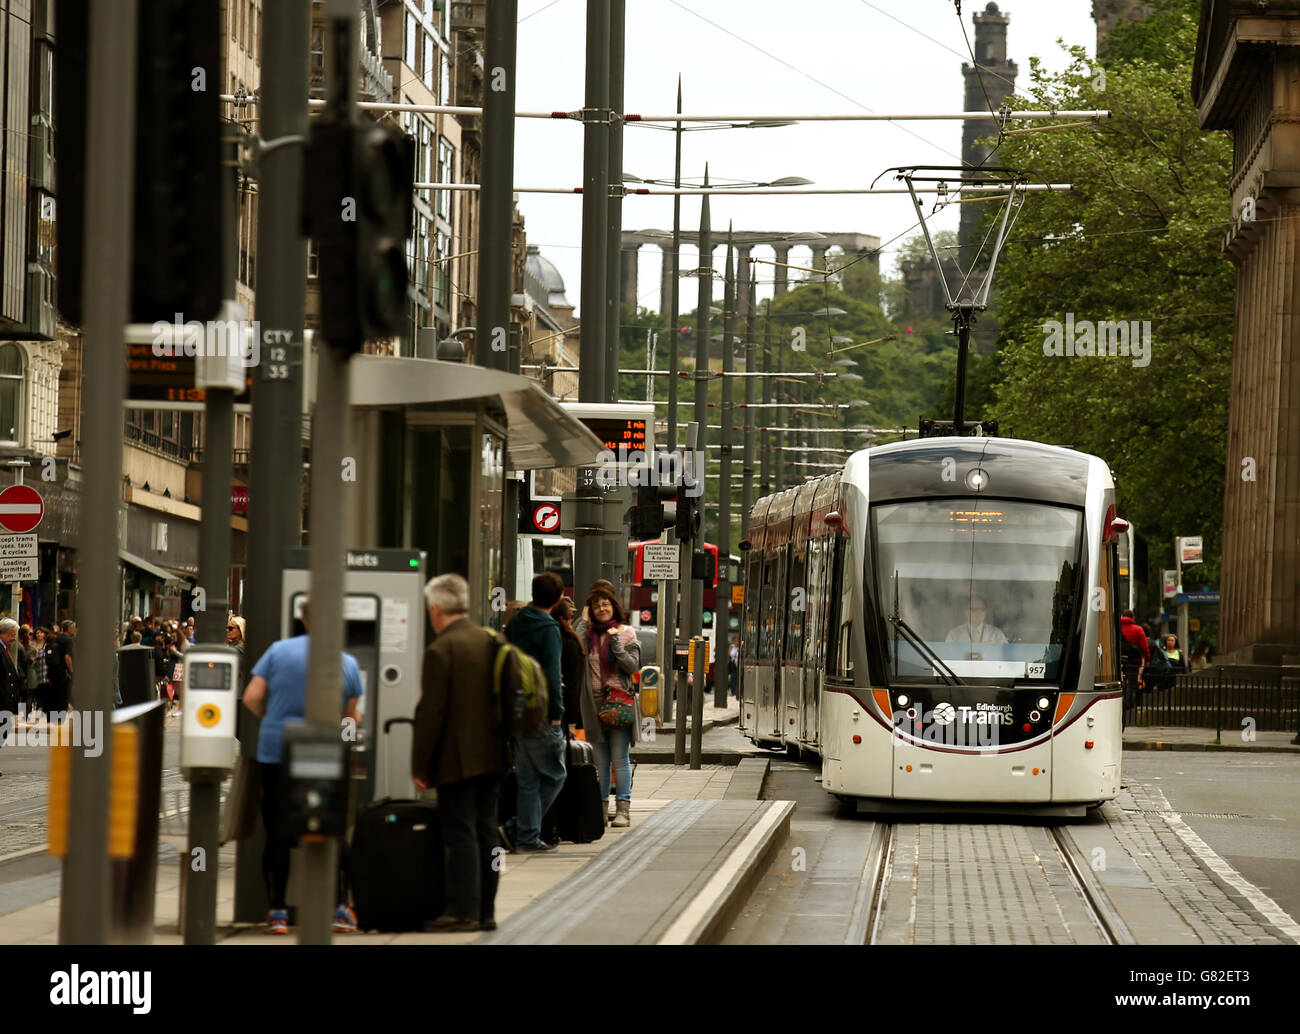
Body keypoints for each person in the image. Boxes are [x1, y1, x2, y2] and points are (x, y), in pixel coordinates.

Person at [241, 597, 363, 935]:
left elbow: (251, 697)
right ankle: (341, 907)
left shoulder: (277, 652)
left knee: (279, 831)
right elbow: (351, 718)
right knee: (331, 826)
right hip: (322, 753)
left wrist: (277, 721)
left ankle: (278, 910)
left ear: (304, 619)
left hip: (276, 751)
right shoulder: (346, 662)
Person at [411, 573, 511, 933]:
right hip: (495, 757)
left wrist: (420, 764)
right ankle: (486, 911)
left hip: (457, 761)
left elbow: (430, 714)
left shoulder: (442, 650)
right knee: (487, 832)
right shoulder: (494, 641)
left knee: (461, 834)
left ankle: (462, 911)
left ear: (436, 609)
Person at [500, 572, 567, 853]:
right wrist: (557, 711)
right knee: (555, 775)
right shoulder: (548, 627)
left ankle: (526, 837)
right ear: (559, 598)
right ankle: (518, 828)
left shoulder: (516, 621)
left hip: (514, 707)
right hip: (539, 708)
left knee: (528, 777)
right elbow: (552, 672)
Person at [575, 583, 641, 828]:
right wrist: (583, 620)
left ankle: (623, 809)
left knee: (619, 758)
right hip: (592, 704)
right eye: (596, 605)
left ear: (614, 606)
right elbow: (575, 647)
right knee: (600, 761)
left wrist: (615, 644)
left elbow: (632, 666)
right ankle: (600, 810)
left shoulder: (627, 633)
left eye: (605, 604)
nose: (601, 608)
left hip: (618, 703)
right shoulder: (588, 632)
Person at [553, 597, 585, 735]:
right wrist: (573, 720)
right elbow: (572, 683)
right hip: (562, 708)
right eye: (571, 615)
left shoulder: (550, 636)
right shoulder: (569, 641)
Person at [0, 618, 21, 764]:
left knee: (4, 730)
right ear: (3, 633)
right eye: (12, 635)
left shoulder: (4, 649)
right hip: (1, 700)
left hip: (5, 701)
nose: (14, 638)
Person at [46, 620, 75, 713]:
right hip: (63, 673)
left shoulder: (57, 638)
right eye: (73, 628)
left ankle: (53, 719)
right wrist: (71, 671)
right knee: (63, 698)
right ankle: (60, 722)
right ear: (70, 629)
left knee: (55, 697)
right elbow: (67, 657)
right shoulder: (68, 640)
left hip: (54, 672)